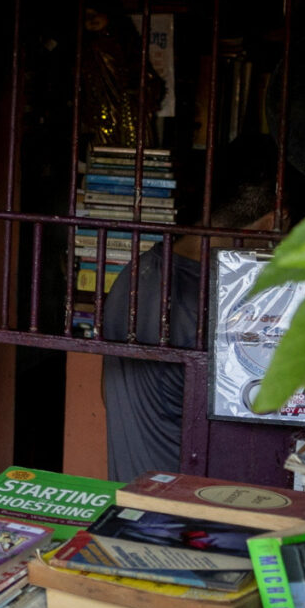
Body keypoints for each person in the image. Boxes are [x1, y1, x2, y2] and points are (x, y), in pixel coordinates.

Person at [99, 145, 282, 483]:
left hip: (135, 493)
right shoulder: (215, 304)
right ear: (270, 224)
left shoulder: (135, 274)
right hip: (191, 511)